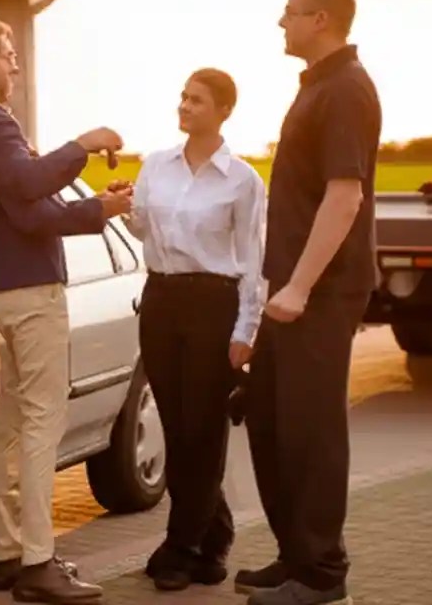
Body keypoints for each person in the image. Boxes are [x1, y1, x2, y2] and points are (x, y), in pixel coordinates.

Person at [0, 17, 131, 603]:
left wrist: (99, 209)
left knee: (10, 424)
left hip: (3, 289)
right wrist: (85, 143)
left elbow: (26, 212)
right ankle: (38, 563)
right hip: (29, 293)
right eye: (8, 53)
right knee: (45, 423)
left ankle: (8, 554)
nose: (16, 63)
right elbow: (28, 186)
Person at [236, 0, 382, 605]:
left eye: (289, 13)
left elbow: (346, 196)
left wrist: (298, 287)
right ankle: (297, 555)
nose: (280, 22)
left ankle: (322, 576)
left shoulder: (347, 90)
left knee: (312, 431)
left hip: (318, 294)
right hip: (290, 293)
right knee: (269, 421)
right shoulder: (318, 86)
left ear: (320, 19)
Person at [118, 68, 265, 592]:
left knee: (202, 428)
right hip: (160, 299)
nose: (185, 106)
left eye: (197, 100)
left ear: (224, 110)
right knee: (177, 427)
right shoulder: (156, 164)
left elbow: (253, 261)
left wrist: (247, 327)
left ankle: (180, 546)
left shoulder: (242, 180)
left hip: (212, 304)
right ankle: (215, 536)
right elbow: (141, 227)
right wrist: (127, 205)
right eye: (183, 97)